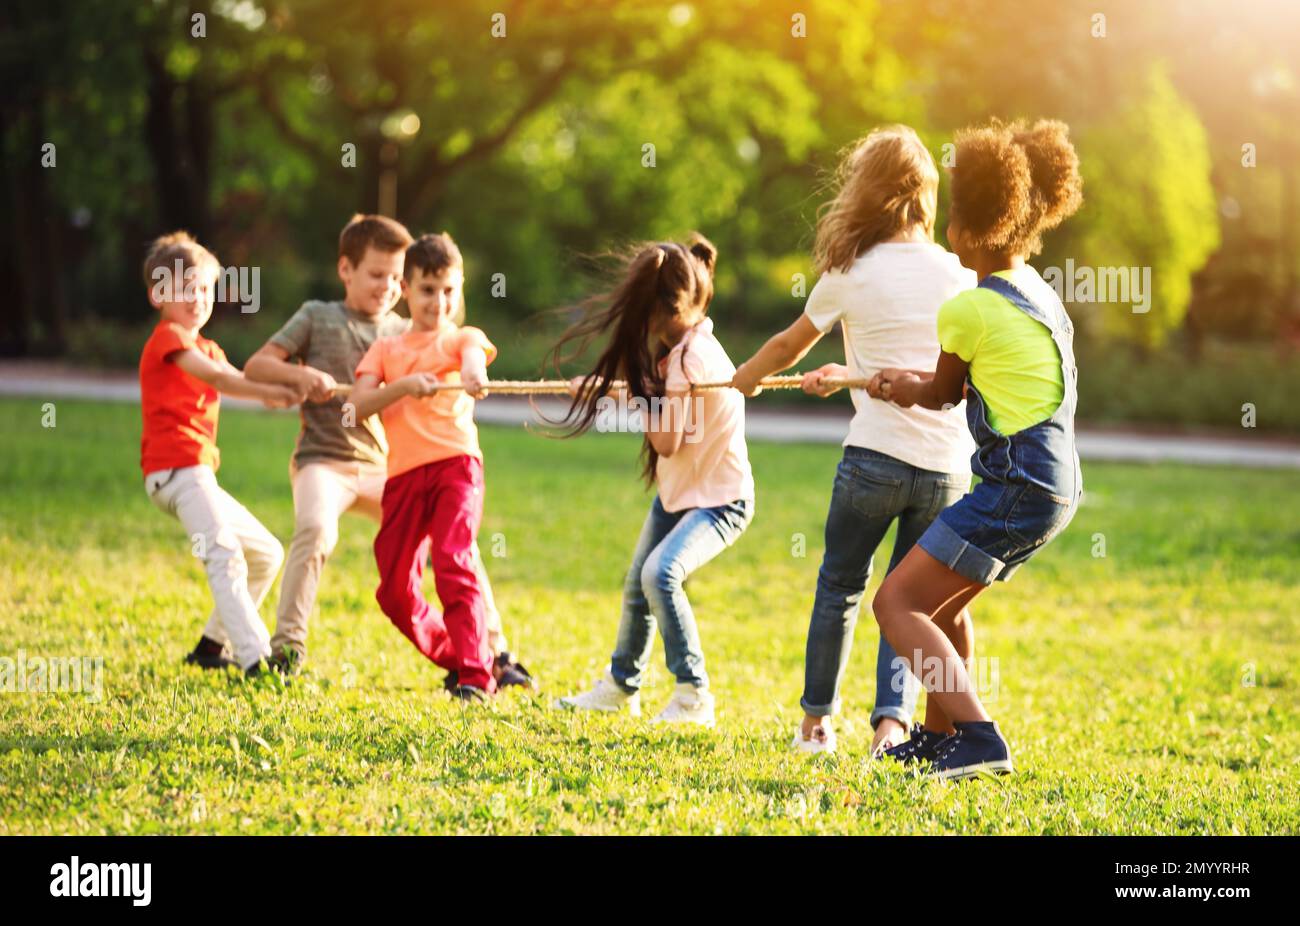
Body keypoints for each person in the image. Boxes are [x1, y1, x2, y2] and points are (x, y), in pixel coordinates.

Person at [732, 125, 977, 755]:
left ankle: (816, 724)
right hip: (948, 468)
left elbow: (790, 345)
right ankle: (891, 724)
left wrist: (746, 380)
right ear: (926, 196)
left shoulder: (850, 271)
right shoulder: (958, 273)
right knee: (911, 600)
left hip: (874, 460)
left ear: (866, 193)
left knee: (840, 586)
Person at [868, 119, 1085, 779]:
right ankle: (940, 741)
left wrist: (897, 385)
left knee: (895, 604)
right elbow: (979, 385)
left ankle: (981, 736)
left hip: (1014, 485)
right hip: (1056, 485)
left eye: (952, 217)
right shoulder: (1040, 296)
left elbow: (938, 392)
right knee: (943, 606)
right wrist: (919, 385)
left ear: (968, 227)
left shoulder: (968, 309)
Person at [243, 216, 531, 687]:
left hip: (387, 467)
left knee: (458, 550)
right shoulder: (321, 316)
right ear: (346, 270)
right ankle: (288, 645)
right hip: (326, 460)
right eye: (378, 275)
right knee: (317, 530)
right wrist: (300, 378)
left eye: (398, 278)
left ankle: (492, 654)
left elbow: (463, 341)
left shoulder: (408, 329)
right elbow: (261, 367)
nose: (390, 287)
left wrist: (473, 369)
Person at [554, 235, 754, 727]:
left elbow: (665, 440)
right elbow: (669, 423)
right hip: (681, 493)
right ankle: (622, 685)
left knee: (659, 576)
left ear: (662, 308)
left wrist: (622, 399)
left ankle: (694, 694)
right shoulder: (688, 346)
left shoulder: (691, 359)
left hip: (719, 501)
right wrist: (617, 393)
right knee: (636, 586)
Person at [138, 231, 301, 675]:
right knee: (225, 554)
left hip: (197, 475)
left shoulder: (208, 347)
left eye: (205, 289)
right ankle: (257, 660)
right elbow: (225, 381)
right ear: (159, 295)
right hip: (176, 473)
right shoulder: (168, 340)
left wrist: (287, 390)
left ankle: (212, 647)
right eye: (185, 289)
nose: (197, 299)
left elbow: (242, 382)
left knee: (266, 553)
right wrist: (278, 386)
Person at [348, 231, 500, 701]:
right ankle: (460, 656)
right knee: (393, 591)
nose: (439, 301)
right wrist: (403, 387)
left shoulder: (461, 338)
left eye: (449, 290)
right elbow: (356, 406)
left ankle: (476, 676)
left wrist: (474, 375)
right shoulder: (386, 350)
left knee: (454, 559)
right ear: (406, 289)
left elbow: (473, 360)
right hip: (405, 477)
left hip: (457, 467)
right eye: (428, 290)